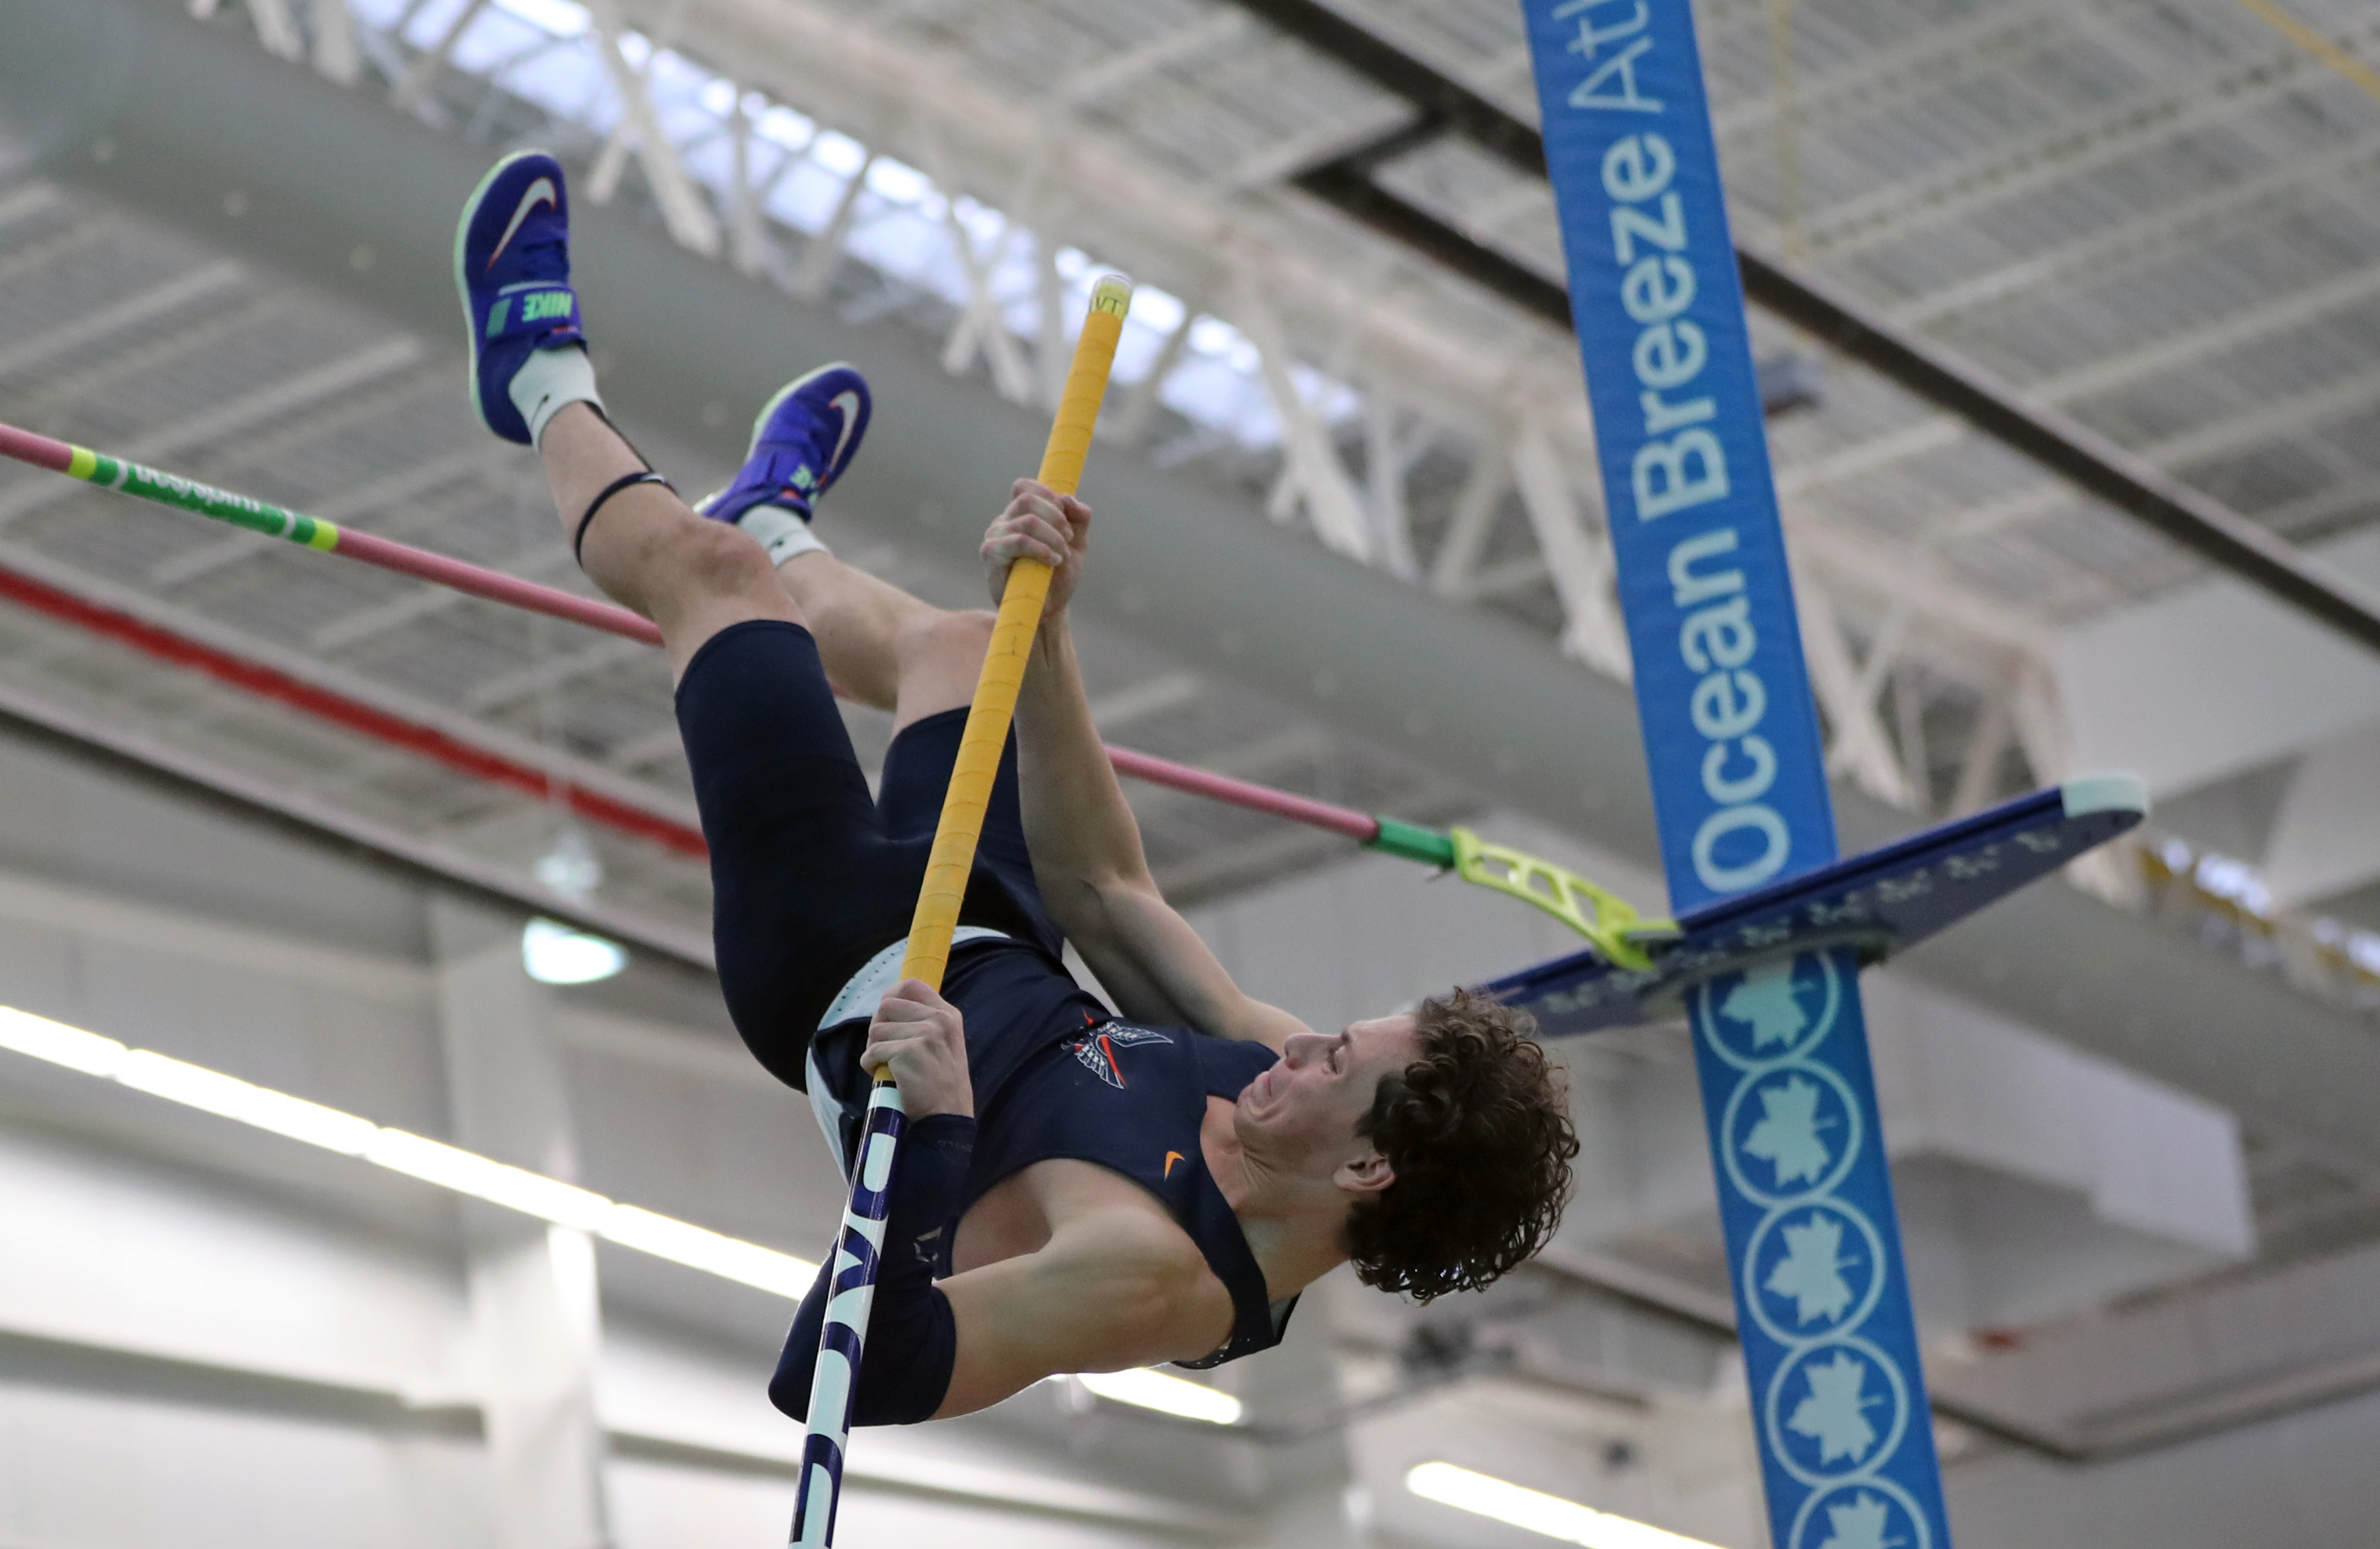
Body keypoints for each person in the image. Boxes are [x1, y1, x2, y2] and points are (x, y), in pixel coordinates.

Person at [455, 150, 1580, 1424]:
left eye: (1333, 1058)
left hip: (830, 961)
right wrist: (1044, 636)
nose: (1303, 1042)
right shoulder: (1278, 1088)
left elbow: (833, 1381)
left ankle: (538, 379)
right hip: (990, 919)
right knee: (961, 650)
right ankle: (778, 520)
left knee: (707, 580)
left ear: (1370, 1165)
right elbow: (1103, 888)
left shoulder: (1152, 1278)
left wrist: (933, 1135)